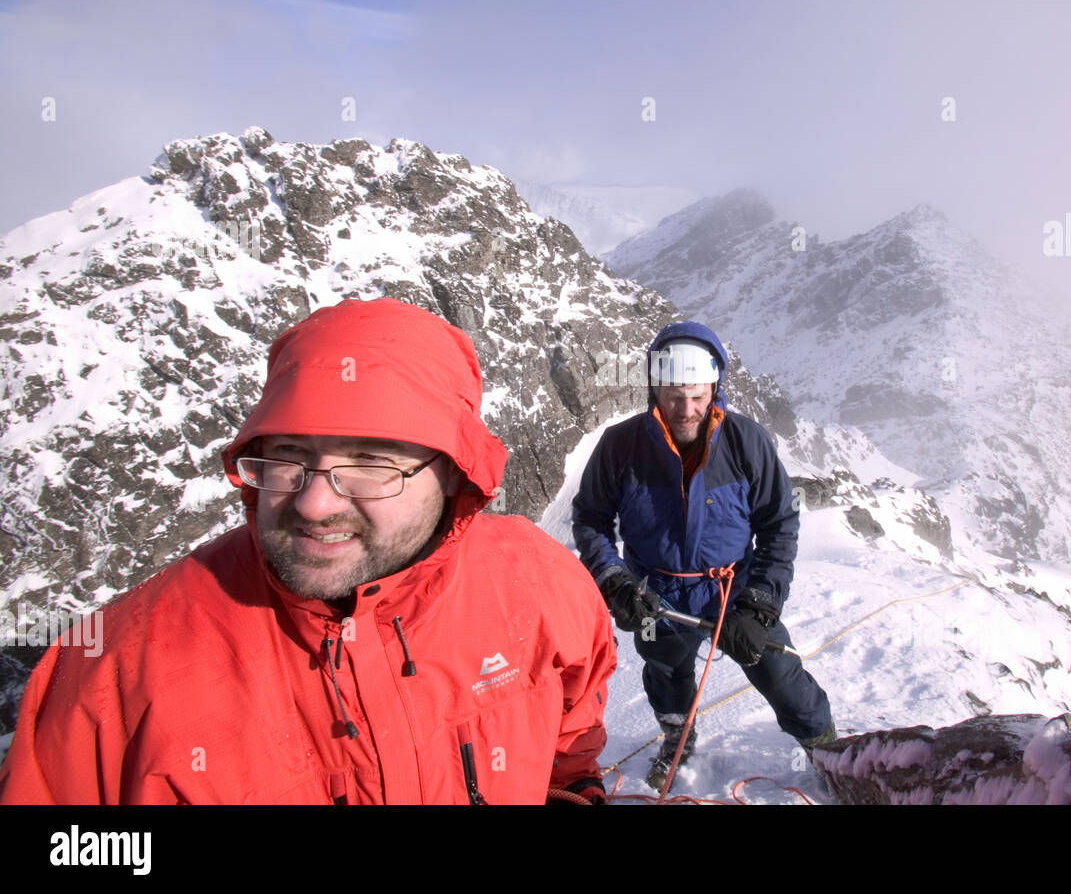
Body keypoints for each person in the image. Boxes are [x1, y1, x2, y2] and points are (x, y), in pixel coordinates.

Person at [0, 297, 615, 805]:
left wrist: (570, 787)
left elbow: (571, 729)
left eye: (371, 462)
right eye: (288, 456)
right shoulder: (116, 673)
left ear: (454, 474)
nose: (315, 504)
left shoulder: (536, 582)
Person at [572, 322, 834, 789]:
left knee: (778, 670)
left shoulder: (746, 441)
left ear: (715, 386)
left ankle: (825, 745)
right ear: (656, 389)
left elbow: (779, 524)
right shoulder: (621, 446)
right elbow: (590, 519)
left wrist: (760, 604)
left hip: (734, 589)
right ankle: (678, 736)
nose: (687, 410)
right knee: (666, 671)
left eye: (698, 396)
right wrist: (615, 581)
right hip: (656, 593)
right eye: (674, 397)